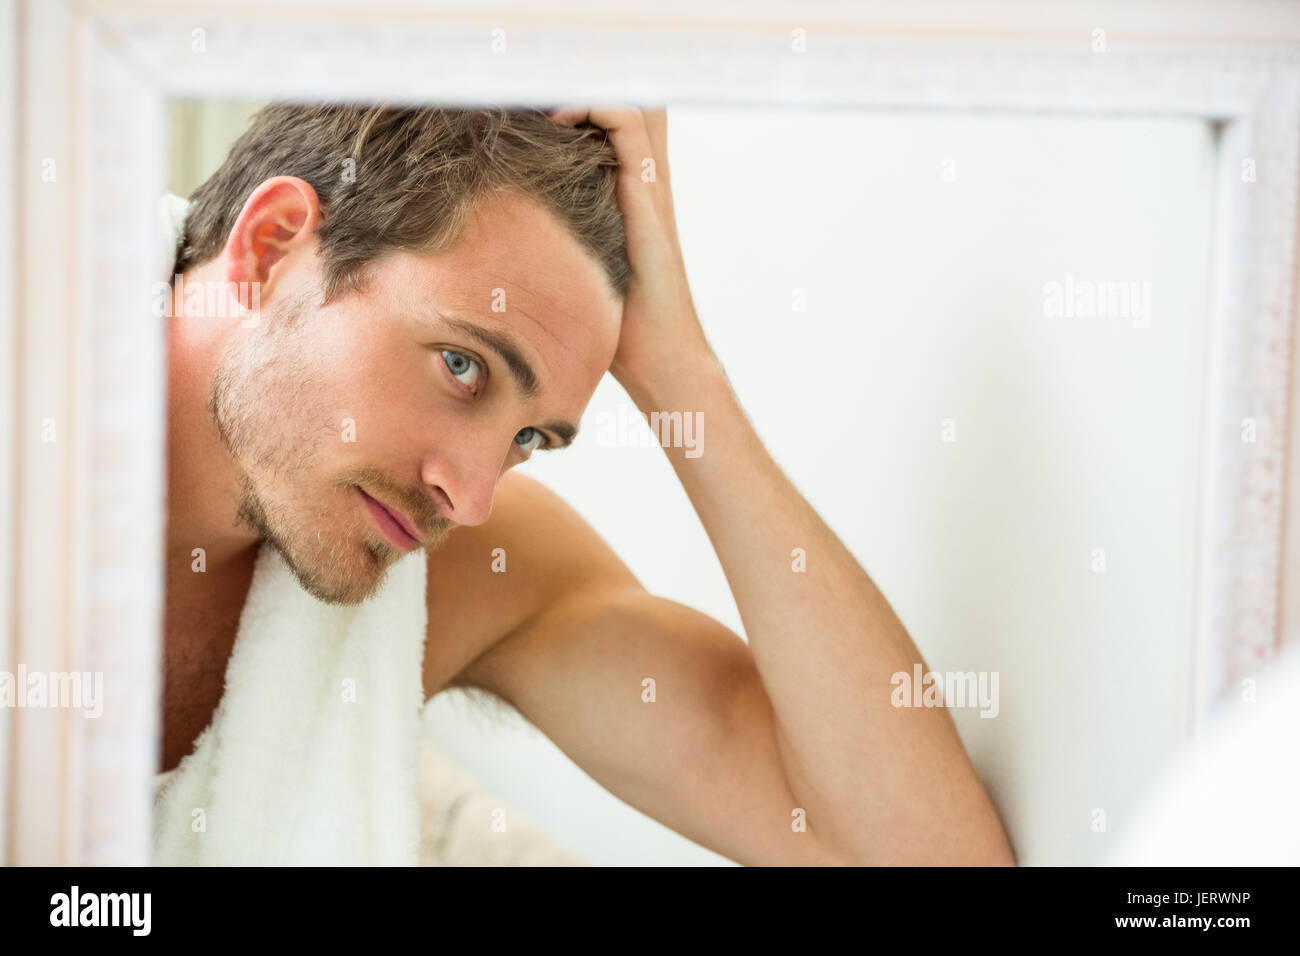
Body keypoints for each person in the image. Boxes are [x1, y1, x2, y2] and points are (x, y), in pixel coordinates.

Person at [161, 102, 1016, 866]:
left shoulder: (470, 566)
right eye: (463, 367)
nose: (469, 500)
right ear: (272, 247)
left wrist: (680, 371)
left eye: (529, 437)